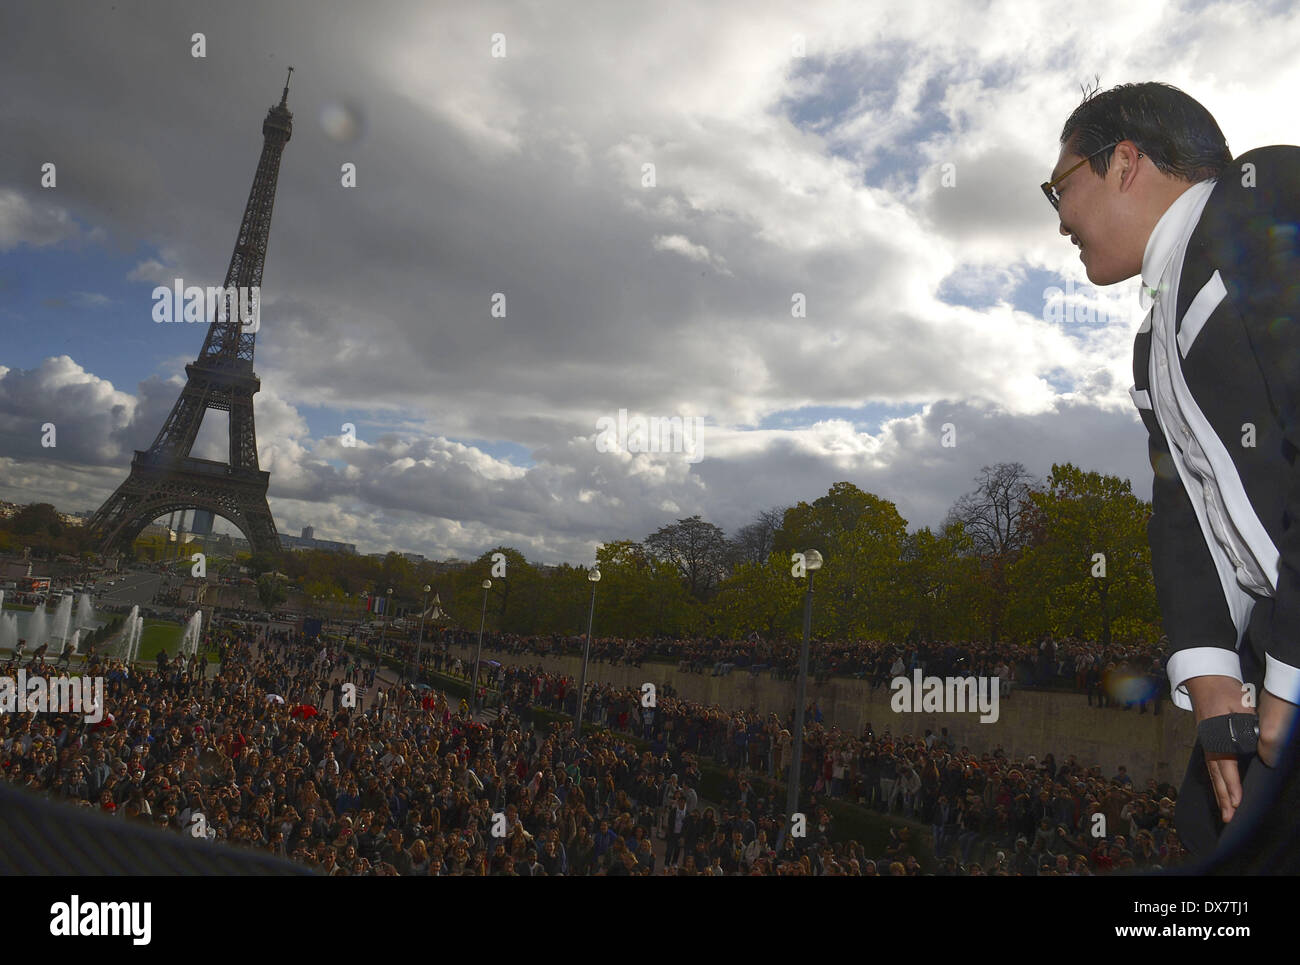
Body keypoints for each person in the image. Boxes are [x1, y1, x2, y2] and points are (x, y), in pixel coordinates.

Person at [1045, 81, 1300, 868]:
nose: (1058, 219)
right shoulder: (1150, 337)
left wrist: (1287, 665)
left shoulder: (1265, 196)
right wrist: (1210, 669)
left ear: (1126, 162)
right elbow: (1185, 514)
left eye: (1061, 186)